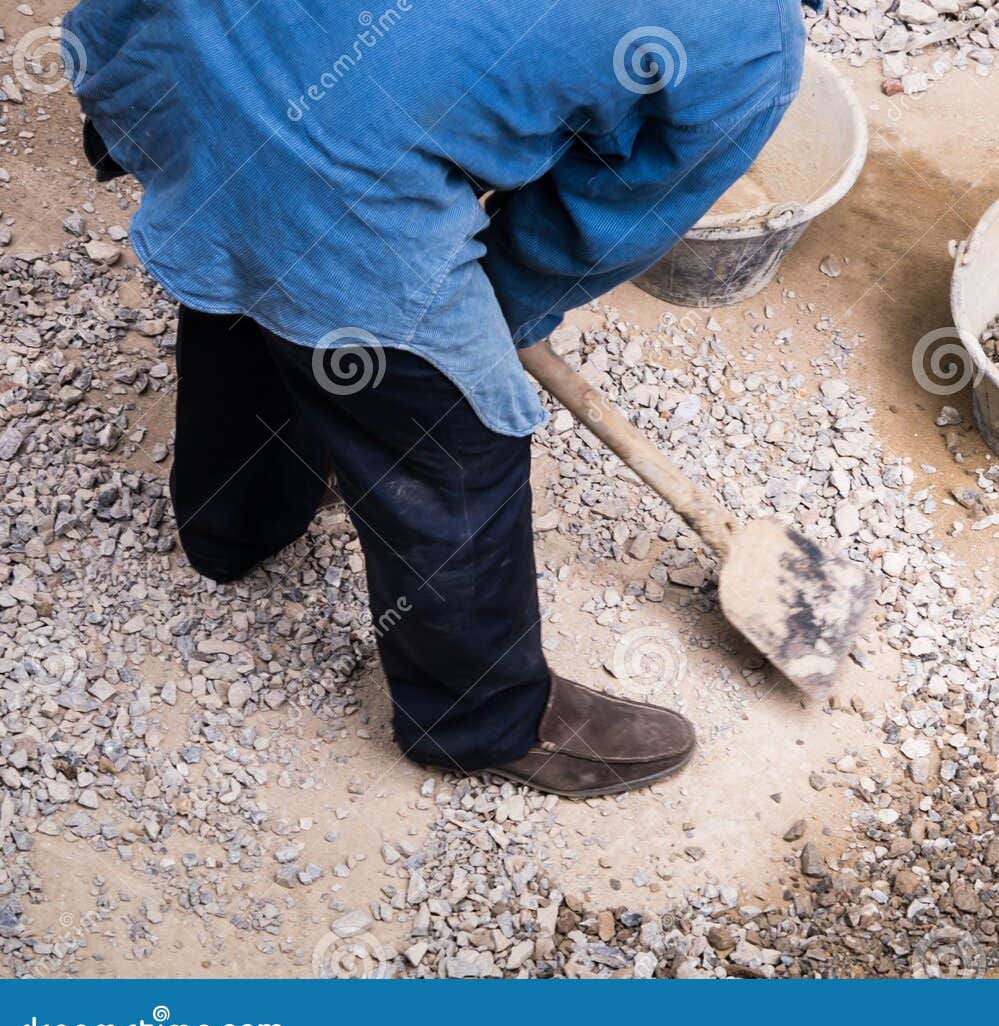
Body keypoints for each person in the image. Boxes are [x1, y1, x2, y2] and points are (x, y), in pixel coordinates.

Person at [65, 1, 815, 797]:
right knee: (452, 440)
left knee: (247, 252)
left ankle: (234, 524)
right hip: (310, 157)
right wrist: (495, 313)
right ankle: (479, 717)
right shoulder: (753, 43)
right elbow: (596, 227)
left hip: (178, 50)